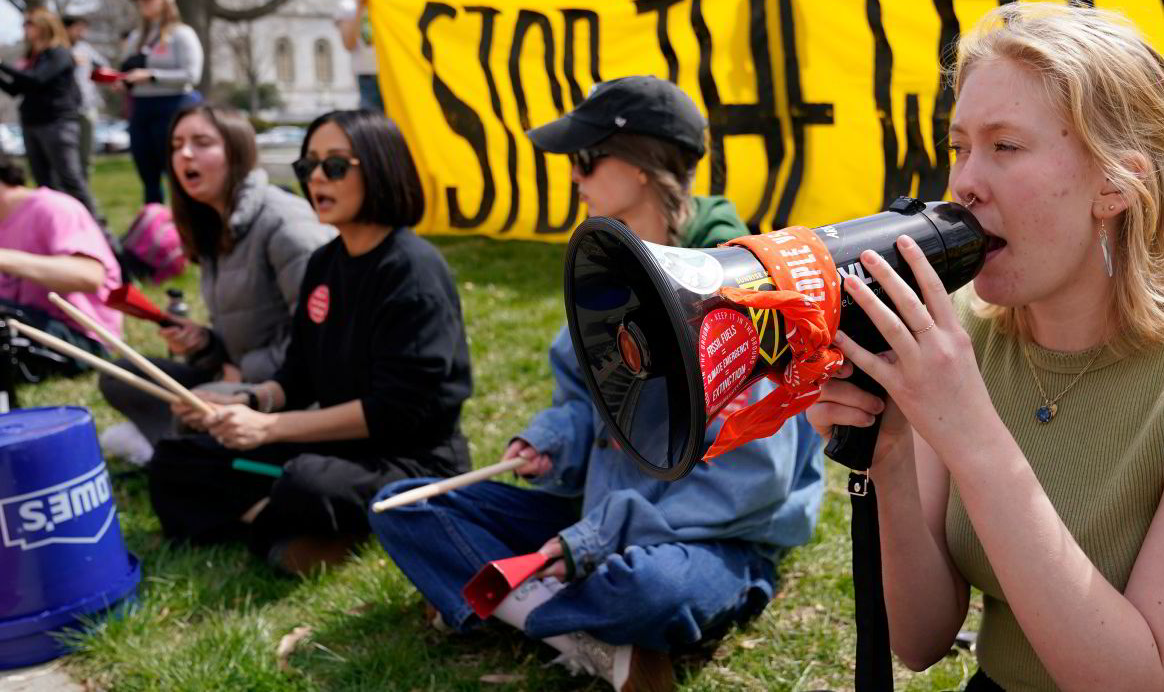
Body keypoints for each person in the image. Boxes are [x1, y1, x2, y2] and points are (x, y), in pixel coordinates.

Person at [805, 2, 1164, 692]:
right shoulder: (965, 329)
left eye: (1005, 146)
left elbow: (1144, 683)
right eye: (960, 147)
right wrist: (893, 457)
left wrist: (969, 432)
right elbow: (919, 640)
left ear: (1116, 183)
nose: (964, 183)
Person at [370, 76, 823, 691]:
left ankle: (504, 595)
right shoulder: (610, 270)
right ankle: (579, 634)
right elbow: (588, 407)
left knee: (649, 589)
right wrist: (551, 441)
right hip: (596, 518)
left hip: (710, 538)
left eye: (585, 158)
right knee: (408, 506)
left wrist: (594, 538)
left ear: (640, 166)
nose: (574, 176)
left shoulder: (743, 290)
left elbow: (749, 484)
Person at [149, 109, 471, 576]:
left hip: (409, 460)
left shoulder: (412, 271)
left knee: (305, 482)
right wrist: (249, 401)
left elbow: (396, 411)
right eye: (309, 166)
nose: (316, 178)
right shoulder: (324, 263)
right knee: (176, 459)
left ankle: (286, 523)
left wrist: (270, 428)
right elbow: (298, 374)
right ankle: (278, 526)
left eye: (335, 166)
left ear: (381, 168)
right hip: (336, 447)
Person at [97, 103, 335, 466]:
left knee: (198, 406)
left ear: (237, 152)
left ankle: (172, 449)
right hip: (237, 376)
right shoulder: (214, 224)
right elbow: (242, 332)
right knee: (120, 376)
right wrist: (205, 343)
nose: (184, 155)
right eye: (176, 145)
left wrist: (242, 374)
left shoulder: (286, 226)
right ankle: (174, 445)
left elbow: (323, 342)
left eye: (202, 142)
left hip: (287, 392)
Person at [0, 153, 121, 378]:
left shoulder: (54, 208)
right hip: (21, 326)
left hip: (80, 337)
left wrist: (5, 259)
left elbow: (90, 276)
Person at [0, 9, 102, 222]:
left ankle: (100, 230)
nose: (25, 28)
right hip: (32, 123)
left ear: (44, 27)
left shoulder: (59, 53)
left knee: (71, 180)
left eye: (30, 24)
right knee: (45, 185)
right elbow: (15, 89)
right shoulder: (33, 57)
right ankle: (55, 227)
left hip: (57, 124)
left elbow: (37, 80)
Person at [121, 0, 203, 205]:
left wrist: (153, 76)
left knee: (176, 170)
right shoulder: (136, 37)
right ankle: (154, 218)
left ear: (165, 1)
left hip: (172, 107)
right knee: (147, 172)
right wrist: (123, 80)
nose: (143, 4)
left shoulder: (181, 34)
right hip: (141, 108)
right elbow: (128, 68)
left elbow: (191, 75)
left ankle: (187, 216)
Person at [335, 0, 392, 112]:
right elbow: (349, 44)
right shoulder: (348, 6)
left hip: (393, 72)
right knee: (372, 119)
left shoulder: (391, 6)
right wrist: (361, 7)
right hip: (368, 75)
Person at [63, 15, 110, 196]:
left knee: (85, 157)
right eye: (78, 28)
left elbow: (103, 67)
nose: (82, 33)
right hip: (64, 112)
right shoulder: (57, 49)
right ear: (66, 29)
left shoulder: (85, 48)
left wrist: (111, 78)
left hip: (86, 108)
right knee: (66, 158)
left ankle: (82, 194)